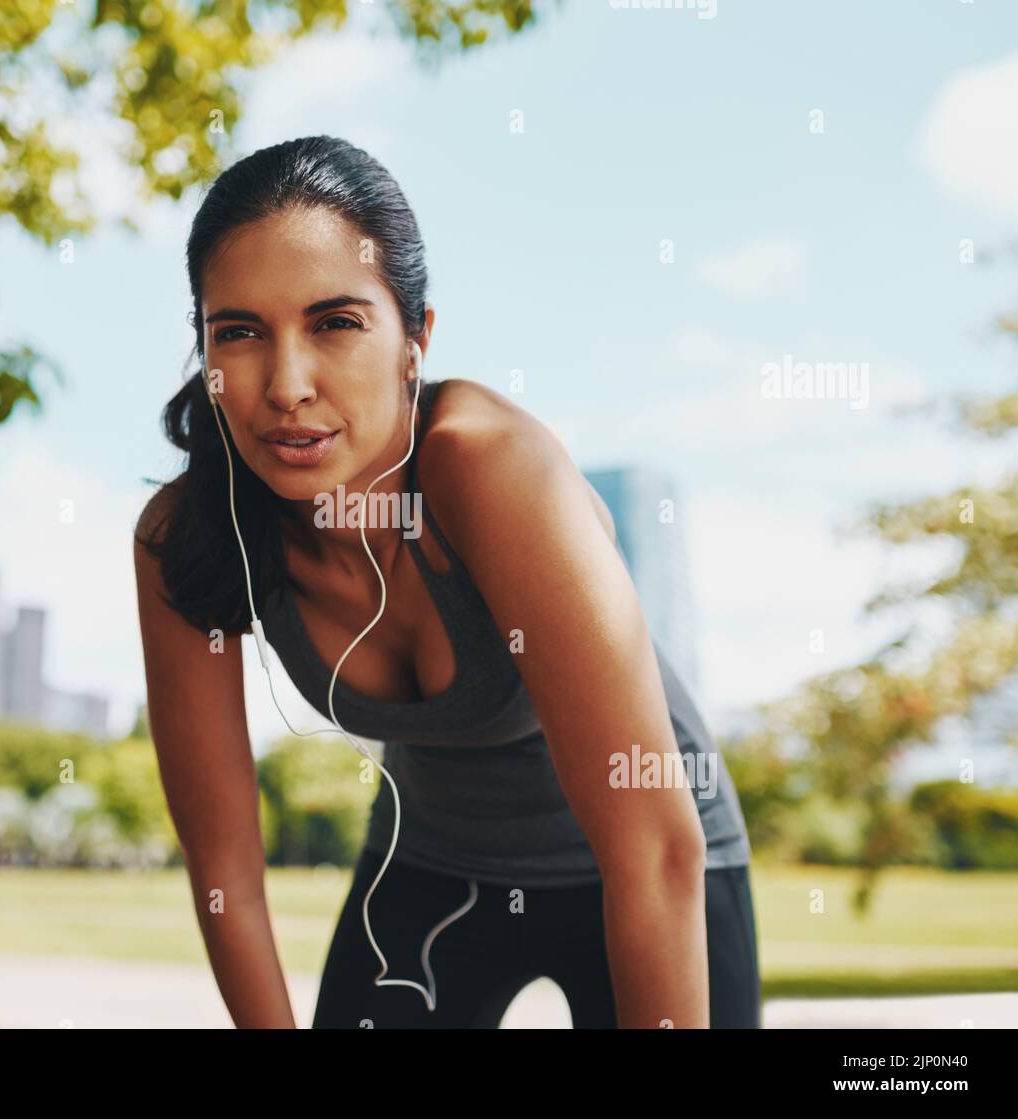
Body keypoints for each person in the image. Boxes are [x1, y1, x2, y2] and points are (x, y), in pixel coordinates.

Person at [134, 135, 760, 1029]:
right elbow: (227, 871)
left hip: (651, 860)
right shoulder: (186, 534)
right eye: (239, 332)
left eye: (335, 323)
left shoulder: (487, 465)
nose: (287, 385)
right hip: (432, 871)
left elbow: (653, 850)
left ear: (414, 339)